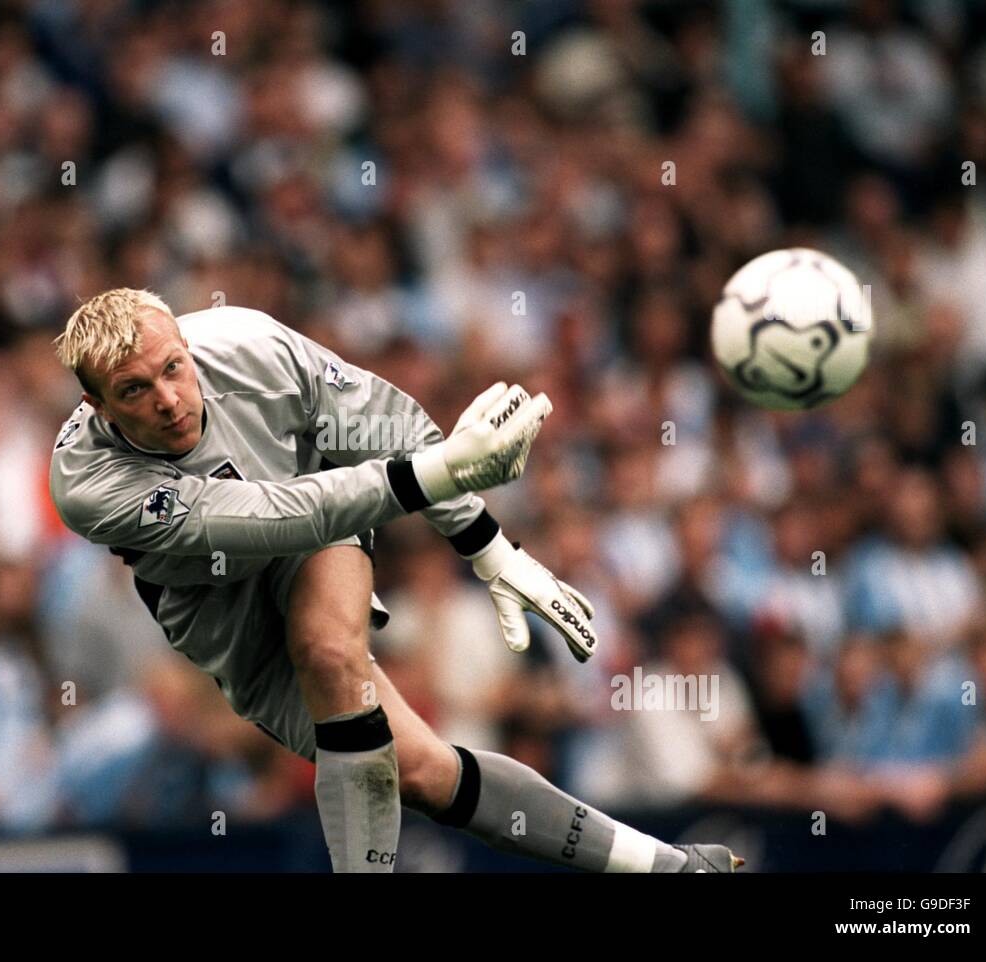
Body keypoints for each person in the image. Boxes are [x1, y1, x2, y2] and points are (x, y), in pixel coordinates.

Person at [49, 287, 741, 873]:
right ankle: (671, 867)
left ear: (187, 348)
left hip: (317, 502)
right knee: (423, 773)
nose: (168, 399)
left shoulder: (252, 346)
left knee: (328, 651)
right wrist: (441, 474)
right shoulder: (87, 483)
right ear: (100, 406)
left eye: (174, 368)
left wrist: (491, 549)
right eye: (135, 391)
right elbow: (265, 519)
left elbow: (390, 428)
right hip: (222, 611)